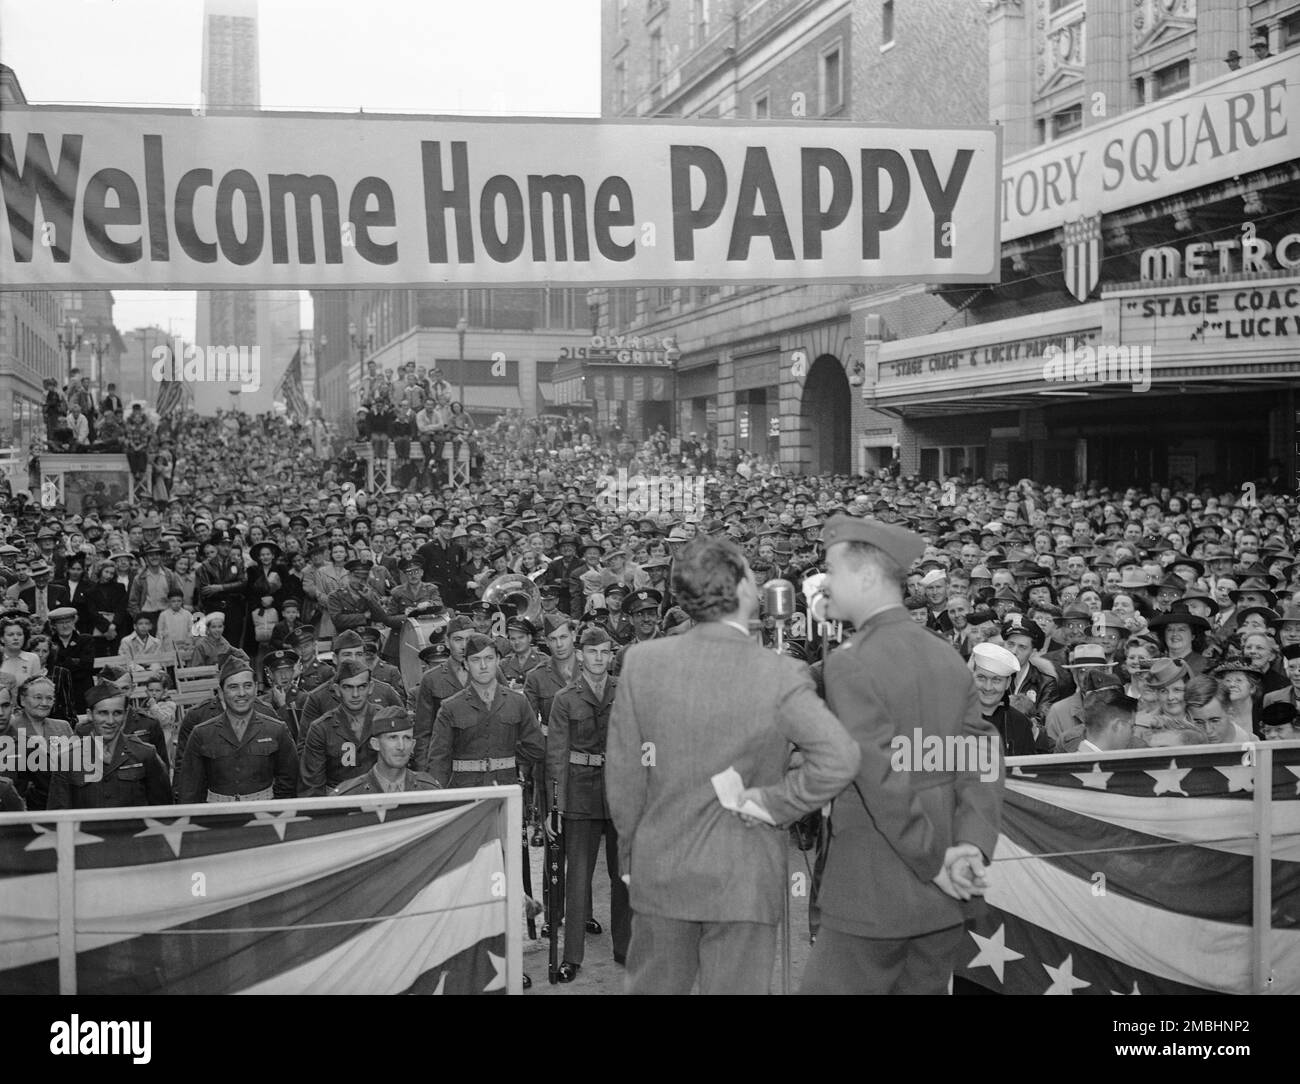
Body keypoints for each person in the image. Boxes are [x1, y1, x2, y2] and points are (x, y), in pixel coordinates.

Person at [606, 535, 861, 995]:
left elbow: (625, 776)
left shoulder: (641, 662)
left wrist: (630, 859)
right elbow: (840, 759)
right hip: (744, 873)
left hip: (660, 868)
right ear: (744, 590)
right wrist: (772, 803)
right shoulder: (780, 672)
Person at [800, 515, 1003, 996]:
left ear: (867, 577)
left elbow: (882, 781)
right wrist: (970, 846)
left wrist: (936, 861)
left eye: (833, 569)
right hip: (944, 896)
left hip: (872, 893)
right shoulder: (945, 655)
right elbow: (982, 758)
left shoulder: (850, 662)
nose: (825, 582)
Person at [544, 625, 629, 982]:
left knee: (623, 876)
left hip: (620, 794)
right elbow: (556, 755)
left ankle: (625, 947)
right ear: (580, 654)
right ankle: (572, 956)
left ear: (611, 655)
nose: (599, 658)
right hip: (579, 795)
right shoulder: (565, 698)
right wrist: (555, 806)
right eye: (592, 652)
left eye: (605, 652)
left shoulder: (624, 691)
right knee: (577, 878)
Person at [425, 633, 544, 787]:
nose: (483, 666)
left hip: (505, 787)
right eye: (475, 660)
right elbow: (438, 761)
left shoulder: (517, 702)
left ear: (498, 660)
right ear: (466, 664)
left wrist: (506, 756)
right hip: (465, 791)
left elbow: (537, 747)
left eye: (488, 658)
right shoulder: (451, 707)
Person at [177, 656, 298, 803]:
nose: (241, 693)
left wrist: (275, 813)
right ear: (221, 692)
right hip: (218, 817)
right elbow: (190, 788)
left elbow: (289, 780)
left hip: (264, 815)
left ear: (255, 688)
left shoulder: (276, 729)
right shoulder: (201, 734)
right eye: (233, 687)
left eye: (247, 686)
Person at [47, 682, 172, 809]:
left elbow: (163, 810)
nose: (110, 721)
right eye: (103, 713)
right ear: (90, 714)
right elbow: (58, 814)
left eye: (117, 713)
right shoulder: (68, 758)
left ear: (125, 714)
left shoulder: (145, 753)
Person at [298, 659, 381, 796]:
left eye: (361, 687)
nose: (355, 694)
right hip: (337, 801)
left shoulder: (385, 720)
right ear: (337, 690)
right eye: (348, 687)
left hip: (380, 801)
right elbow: (312, 785)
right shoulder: (321, 729)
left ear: (370, 687)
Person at [333, 706, 440, 795]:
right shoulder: (351, 795)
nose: (401, 746)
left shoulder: (428, 791)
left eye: (407, 738)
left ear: (413, 745)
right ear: (375, 744)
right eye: (393, 738)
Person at [1077, 688, 1139, 753]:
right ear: (1118, 726)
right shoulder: (1094, 762)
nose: (1133, 732)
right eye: (1131, 727)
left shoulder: (1075, 760)